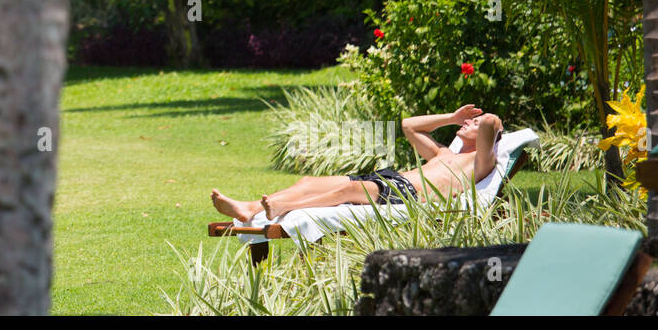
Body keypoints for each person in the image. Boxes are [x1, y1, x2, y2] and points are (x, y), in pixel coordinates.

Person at [210, 104, 504, 226]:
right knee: (307, 182)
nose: (469, 122)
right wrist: (452, 116)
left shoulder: (480, 161)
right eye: (469, 119)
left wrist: (484, 121)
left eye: (473, 123)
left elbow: (491, 122)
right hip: (388, 180)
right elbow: (409, 126)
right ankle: (251, 208)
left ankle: (285, 208)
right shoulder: (443, 154)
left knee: (345, 192)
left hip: (406, 195)